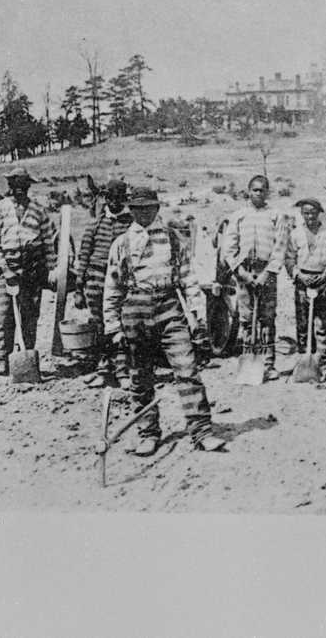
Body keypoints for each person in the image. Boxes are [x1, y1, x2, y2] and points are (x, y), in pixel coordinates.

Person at [103, 187, 225, 456]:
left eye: (148, 207)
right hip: (135, 310)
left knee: (187, 370)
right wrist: (112, 326)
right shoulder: (122, 243)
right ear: (131, 210)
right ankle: (148, 433)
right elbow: (112, 287)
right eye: (138, 208)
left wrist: (198, 315)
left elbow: (188, 278)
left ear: (157, 208)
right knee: (140, 376)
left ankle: (202, 431)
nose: (143, 213)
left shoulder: (172, 239)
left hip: (169, 307)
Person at [0, 167, 58, 376]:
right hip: (8, 268)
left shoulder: (39, 211)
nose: (19, 189)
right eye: (15, 185)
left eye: (23, 185)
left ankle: (28, 357)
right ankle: (2, 359)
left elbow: (48, 243)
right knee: (4, 316)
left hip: (33, 269)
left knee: (30, 315)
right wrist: (5, 269)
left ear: (28, 186)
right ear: (9, 185)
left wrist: (51, 270)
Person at [223, 175, 288, 382]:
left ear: (268, 192)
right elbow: (229, 247)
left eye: (262, 190)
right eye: (255, 190)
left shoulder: (276, 215)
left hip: (267, 272)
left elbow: (280, 247)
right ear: (248, 191)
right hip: (244, 272)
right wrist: (241, 272)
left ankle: (268, 364)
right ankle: (249, 360)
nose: (259, 193)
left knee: (267, 318)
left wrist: (267, 273)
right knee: (246, 318)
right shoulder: (238, 216)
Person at [73, 178, 135, 387]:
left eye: (119, 198)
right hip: (96, 283)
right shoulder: (95, 225)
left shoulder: (131, 224)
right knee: (99, 326)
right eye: (111, 198)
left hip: (122, 283)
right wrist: (79, 289)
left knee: (121, 325)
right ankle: (103, 370)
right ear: (106, 199)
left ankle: (122, 371)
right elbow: (83, 257)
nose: (115, 202)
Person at [285, 197, 326, 382]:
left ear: (319, 213)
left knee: (324, 325)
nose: (310, 217)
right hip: (303, 282)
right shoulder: (295, 234)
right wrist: (298, 275)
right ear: (301, 214)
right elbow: (289, 258)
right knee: (303, 325)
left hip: (323, 282)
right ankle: (305, 361)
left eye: (313, 213)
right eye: (306, 213)